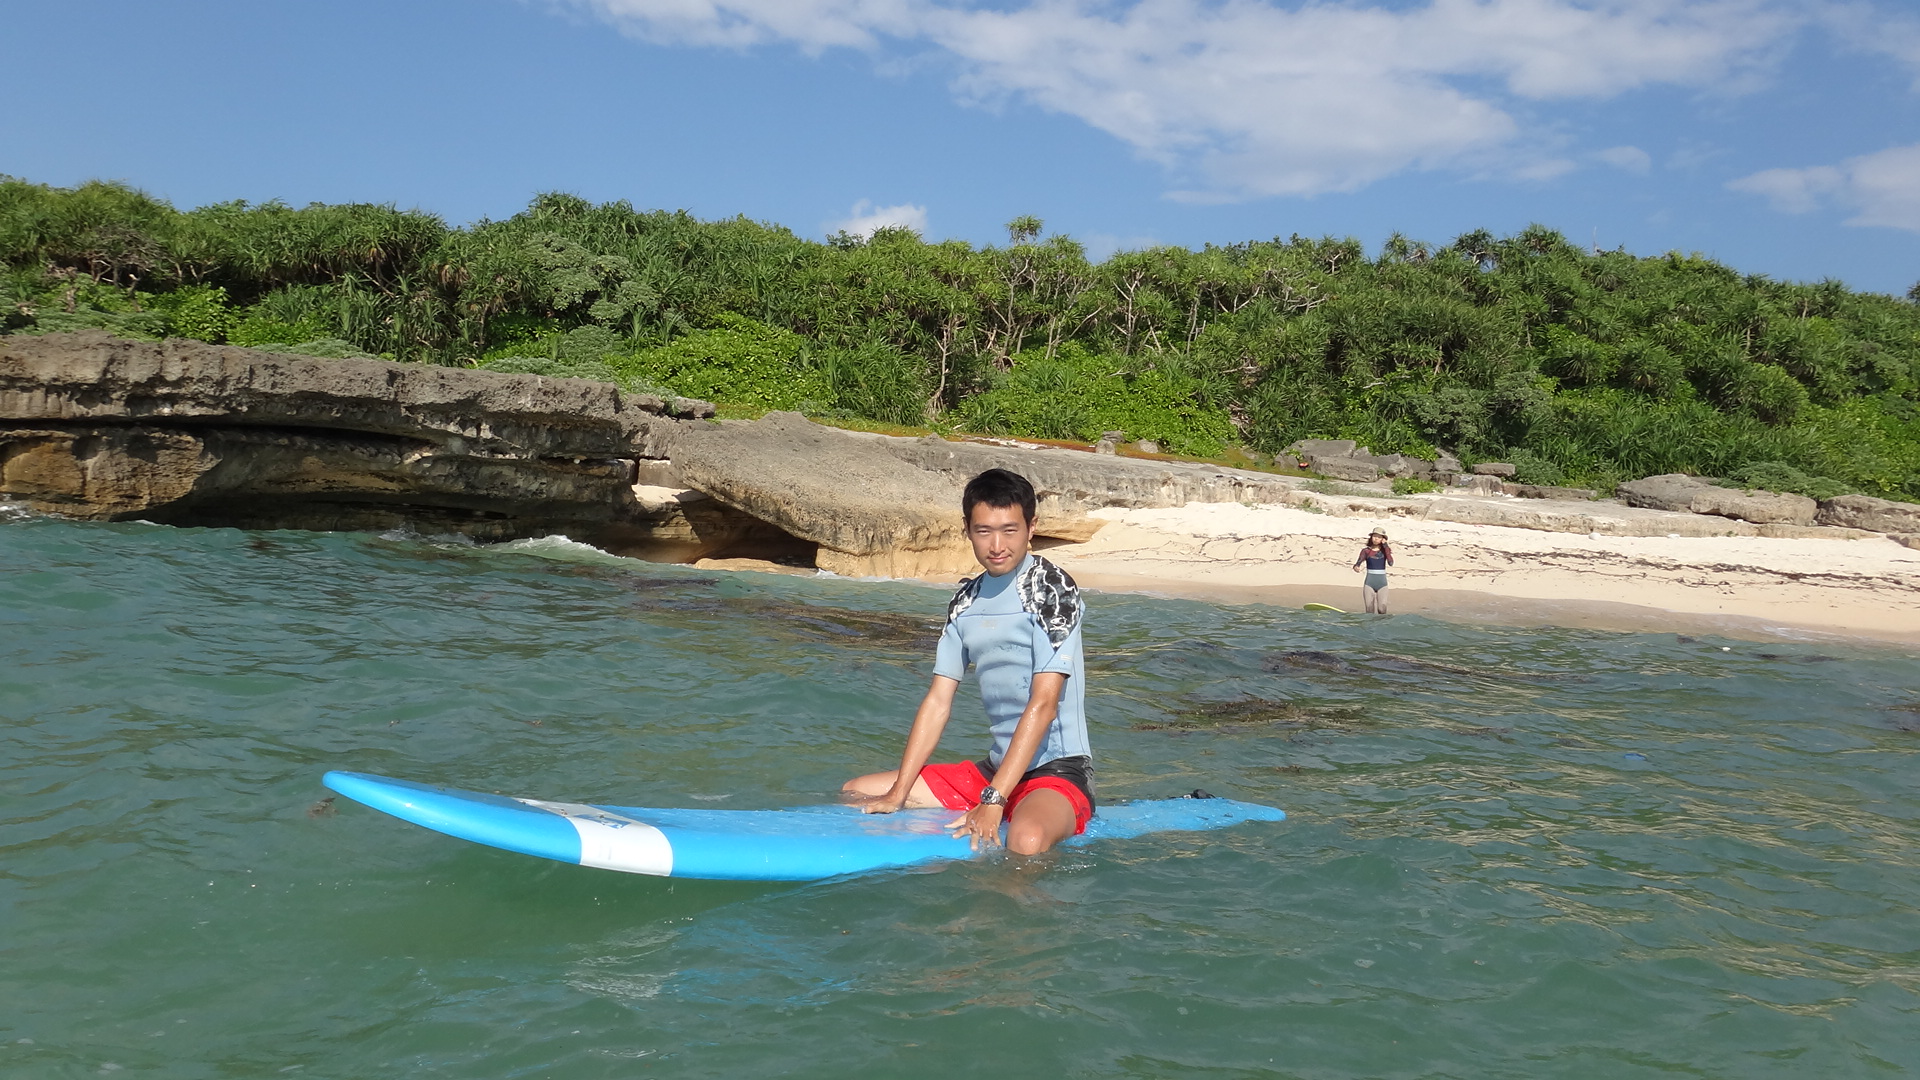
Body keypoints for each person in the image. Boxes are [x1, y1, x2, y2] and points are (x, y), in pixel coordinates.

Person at [842, 468, 1094, 856]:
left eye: (1010, 530)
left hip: (1056, 771)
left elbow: (1044, 704)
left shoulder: (1052, 589)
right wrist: (899, 792)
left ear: (1031, 528)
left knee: (1025, 842)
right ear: (967, 530)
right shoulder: (966, 602)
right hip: (995, 770)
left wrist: (993, 800)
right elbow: (938, 701)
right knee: (857, 791)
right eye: (983, 531)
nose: (997, 545)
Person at [1352, 529, 1394, 614]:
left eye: (1379, 537)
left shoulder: (1385, 551)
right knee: (1369, 611)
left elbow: (1391, 563)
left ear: (1383, 539)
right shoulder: (1366, 551)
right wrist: (1356, 567)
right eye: (1374, 536)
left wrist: (1385, 546)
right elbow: (1357, 563)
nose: (1376, 539)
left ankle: (1381, 623)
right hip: (1369, 583)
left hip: (1382, 584)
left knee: (1382, 610)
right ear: (1371, 537)